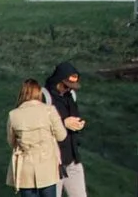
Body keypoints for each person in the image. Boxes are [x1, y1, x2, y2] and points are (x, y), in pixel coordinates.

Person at [7, 78, 66, 197]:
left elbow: (11, 142)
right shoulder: (49, 111)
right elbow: (61, 136)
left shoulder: (13, 115)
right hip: (47, 167)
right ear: (39, 93)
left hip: (25, 168)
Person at [47, 61, 89, 197]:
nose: (68, 89)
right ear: (58, 80)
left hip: (72, 158)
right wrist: (63, 123)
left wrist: (78, 124)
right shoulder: (44, 97)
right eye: (66, 86)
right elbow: (39, 125)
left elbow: (74, 116)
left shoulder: (71, 96)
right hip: (53, 161)